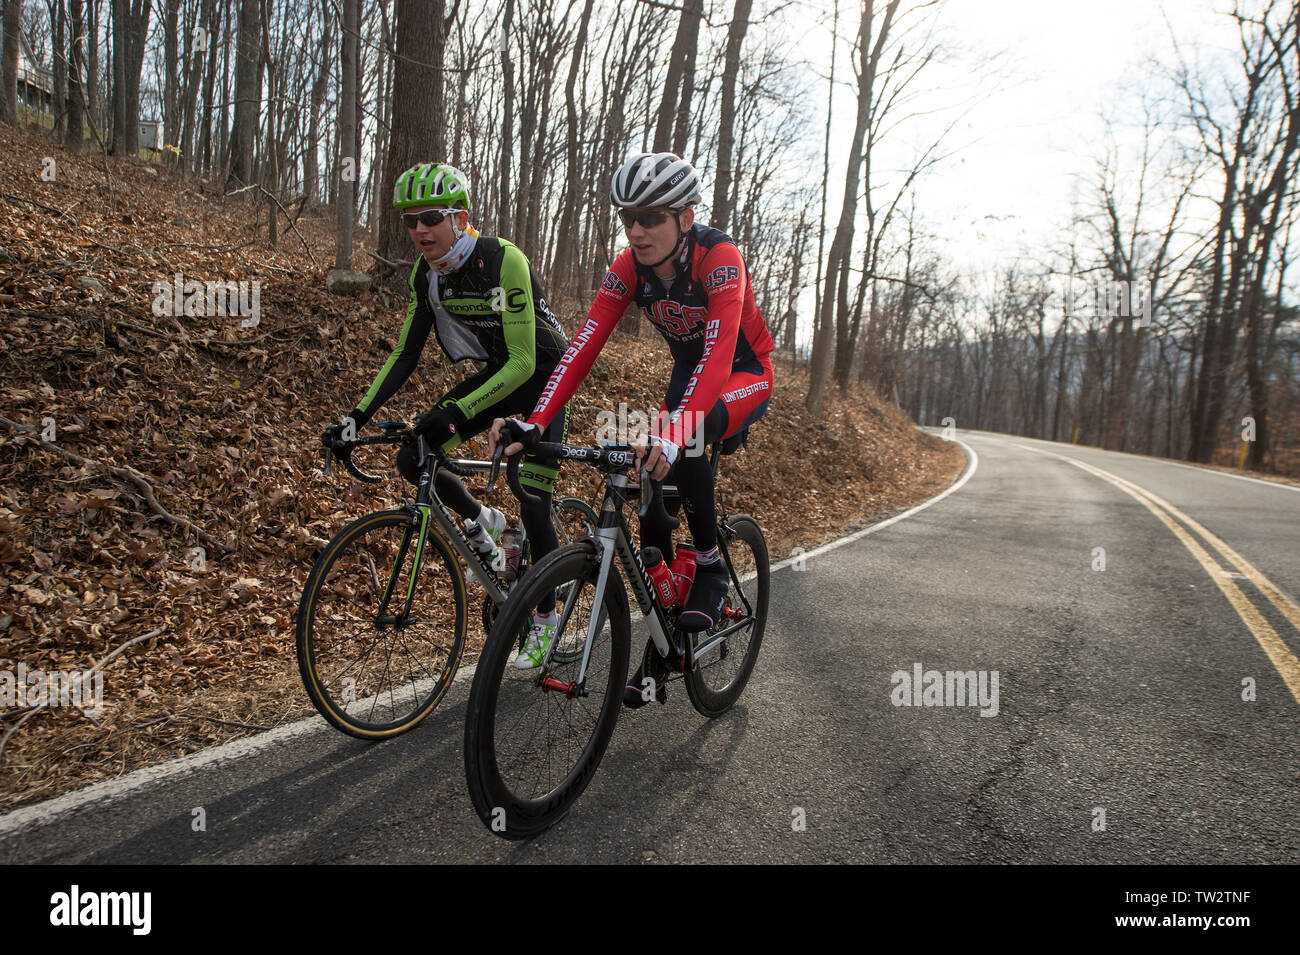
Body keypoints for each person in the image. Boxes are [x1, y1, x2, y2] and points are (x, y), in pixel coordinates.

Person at [491, 152, 775, 700]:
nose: (638, 230)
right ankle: (664, 637)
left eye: (652, 217)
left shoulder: (719, 258)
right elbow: (581, 350)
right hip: (689, 374)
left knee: (683, 437)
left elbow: (718, 355)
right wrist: (535, 421)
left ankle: (712, 564)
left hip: (741, 372)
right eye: (628, 218)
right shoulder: (628, 267)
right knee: (647, 476)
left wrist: (675, 429)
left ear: (684, 218)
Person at [322, 162, 571, 669]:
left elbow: (525, 360)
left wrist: (457, 409)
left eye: (431, 218)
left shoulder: (504, 260)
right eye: (410, 220)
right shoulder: (426, 276)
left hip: (545, 379)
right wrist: (356, 417)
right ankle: (485, 520)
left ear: (460, 218)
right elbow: (405, 354)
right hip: (501, 375)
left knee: (535, 501)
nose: (418, 230)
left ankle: (546, 618)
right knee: (416, 455)